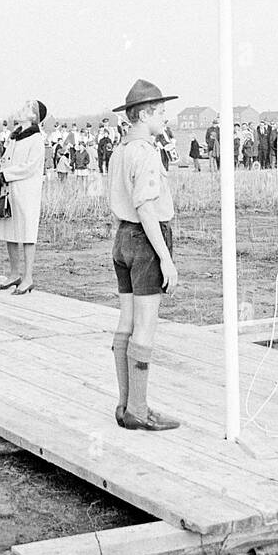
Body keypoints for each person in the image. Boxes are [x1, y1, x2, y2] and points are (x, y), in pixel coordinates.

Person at [107, 80, 180, 432]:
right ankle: (138, 408)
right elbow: (147, 208)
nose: (165, 118)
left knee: (126, 322)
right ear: (146, 113)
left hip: (122, 236)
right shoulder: (146, 152)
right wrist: (165, 258)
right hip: (146, 238)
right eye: (161, 112)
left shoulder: (119, 150)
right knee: (145, 328)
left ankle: (124, 404)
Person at [0, 100, 47, 296]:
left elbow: (30, 166)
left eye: (27, 108)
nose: (21, 108)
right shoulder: (15, 137)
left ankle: (28, 277)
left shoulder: (36, 139)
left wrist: (7, 174)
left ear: (34, 116)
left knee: (26, 233)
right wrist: (1, 172)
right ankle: (14, 273)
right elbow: (6, 159)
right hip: (10, 190)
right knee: (10, 230)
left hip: (26, 192)